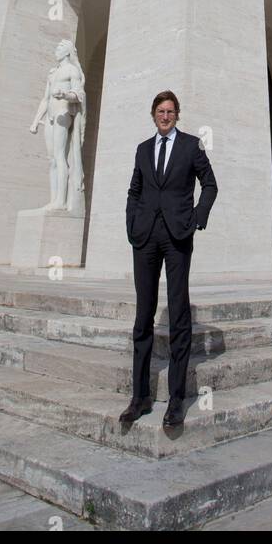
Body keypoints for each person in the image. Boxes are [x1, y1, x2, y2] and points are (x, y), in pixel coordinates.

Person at [120, 90, 218, 430]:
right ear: (153, 114)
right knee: (142, 317)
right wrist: (132, 222)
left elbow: (210, 184)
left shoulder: (192, 146)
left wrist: (197, 217)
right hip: (145, 238)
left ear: (177, 115)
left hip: (177, 236)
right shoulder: (143, 149)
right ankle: (140, 397)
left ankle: (176, 400)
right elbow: (135, 190)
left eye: (170, 111)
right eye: (161, 111)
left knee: (178, 314)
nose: (165, 116)